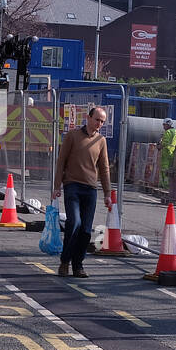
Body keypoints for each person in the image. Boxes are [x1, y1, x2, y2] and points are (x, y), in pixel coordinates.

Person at [51, 106, 113, 278]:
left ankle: (78, 265)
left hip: (90, 189)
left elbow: (104, 168)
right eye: (97, 120)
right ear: (88, 117)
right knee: (74, 223)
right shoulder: (72, 136)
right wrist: (57, 186)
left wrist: (107, 193)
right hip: (72, 186)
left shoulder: (101, 141)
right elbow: (61, 161)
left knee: (86, 230)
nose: (99, 124)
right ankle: (65, 261)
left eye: (102, 121)